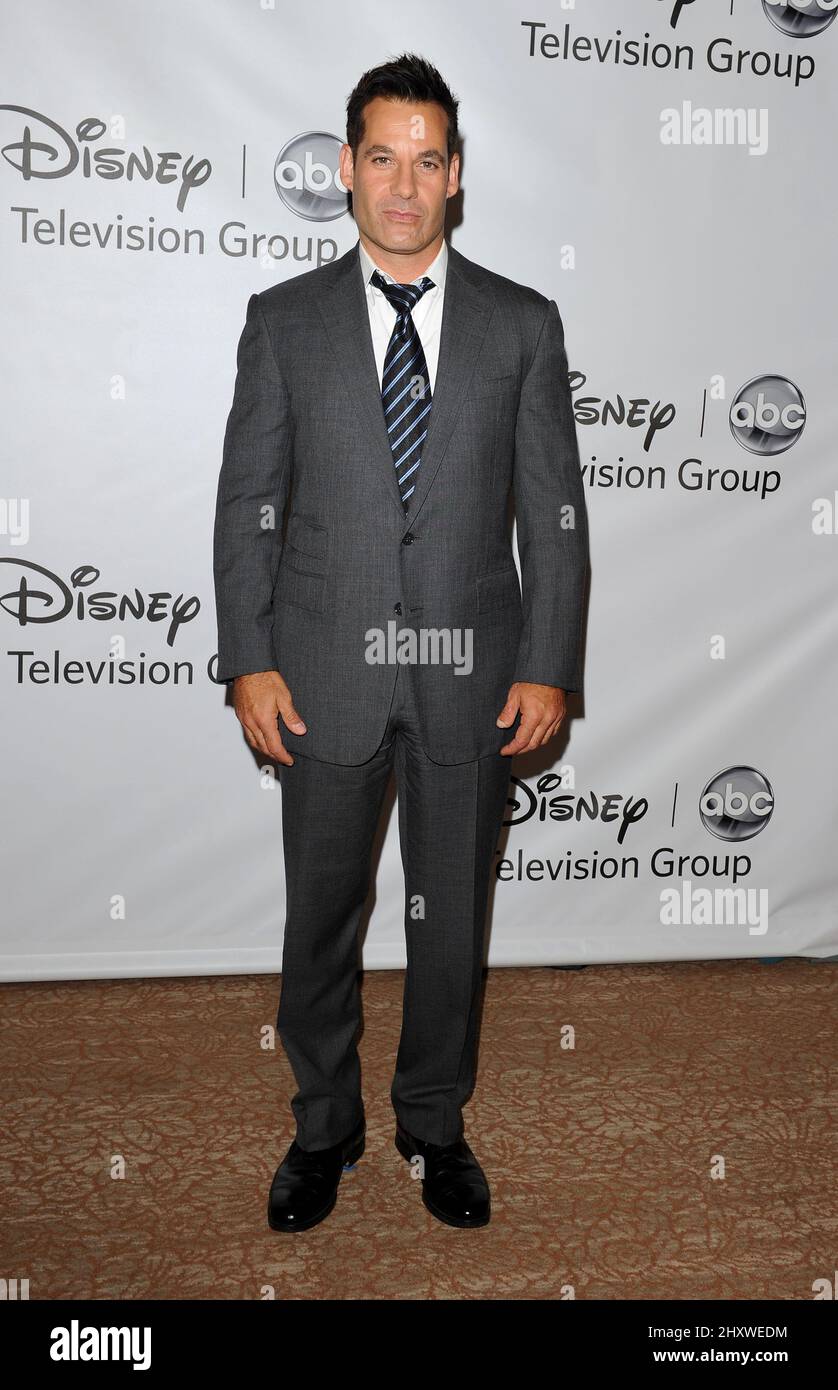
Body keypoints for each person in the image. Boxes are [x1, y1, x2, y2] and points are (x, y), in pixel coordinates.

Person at [213, 52, 589, 1231]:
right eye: (383, 157)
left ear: (457, 175)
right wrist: (249, 656)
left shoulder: (524, 325)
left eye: (428, 160)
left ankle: (433, 1121)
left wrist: (547, 662)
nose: (405, 185)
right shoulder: (282, 323)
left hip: (473, 681)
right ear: (347, 170)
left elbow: (556, 511)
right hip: (320, 674)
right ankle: (323, 1126)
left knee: (449, 920)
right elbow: (245, 503)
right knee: (321, 914)